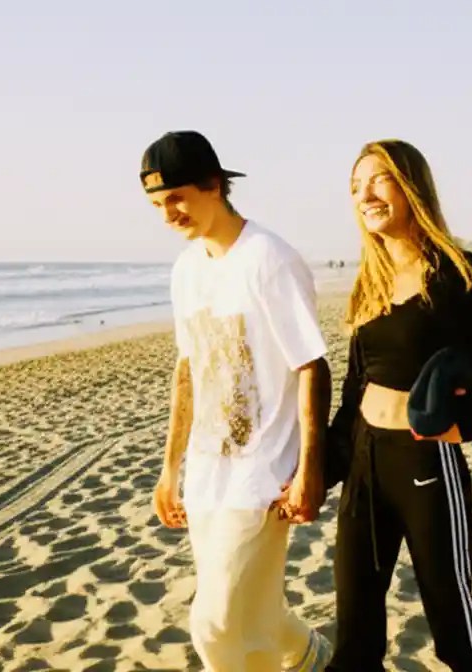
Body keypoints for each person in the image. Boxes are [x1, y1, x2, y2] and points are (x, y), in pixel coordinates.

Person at [142, 130, 333, 671]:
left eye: (175, 197)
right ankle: (310, 656)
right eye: (157, 204)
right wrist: (169, 467)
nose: (167, 214)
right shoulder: (186, 271)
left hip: (262, 472)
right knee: (253, 615)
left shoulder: (268, 258)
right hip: (206, 473)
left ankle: (305, 655)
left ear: (213, 185)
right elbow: (188, 370)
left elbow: (311, 364)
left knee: (215, 623)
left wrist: (308, 468)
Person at [325, 139, 472, 671]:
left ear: (411, 187)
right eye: (355, 185)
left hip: (424, 460)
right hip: (366, 460)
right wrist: (326, 467)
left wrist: (465, 426)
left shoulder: (459, 271)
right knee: (356, 636)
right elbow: (355, 385)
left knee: (455, 629)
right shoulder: (370, 282)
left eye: (378, 179)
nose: (365, 193)